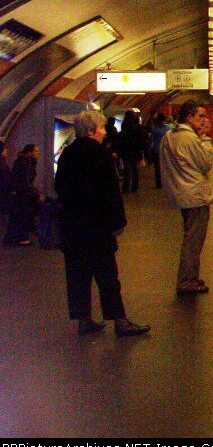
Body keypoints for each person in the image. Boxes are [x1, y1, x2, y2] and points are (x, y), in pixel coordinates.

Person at [54, 109, 149, 336]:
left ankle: (84, 320)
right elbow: (111, 194)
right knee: (107, 276)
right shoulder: (101, 154)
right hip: (97, 229)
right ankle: (120, 320)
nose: (105, 132)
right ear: (91, 131)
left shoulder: (67, 154)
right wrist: (118, 223)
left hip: (73, 228)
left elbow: (60, 188)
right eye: (102, 127)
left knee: (78, 276)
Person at [160, 101, 213, 296]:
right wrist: (206, 139)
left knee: (190, 237)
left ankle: (189, 277)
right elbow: (206, 163)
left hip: (181, 192)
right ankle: (187, 281)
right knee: (193, 240)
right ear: (189, 117)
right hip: (194, 195)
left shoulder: (169, 136)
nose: (204, 120)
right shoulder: (190, 139)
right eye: (200, 116)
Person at [2, 144, 42, 246]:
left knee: (17, 217)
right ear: (30, 152)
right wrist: (37, 193)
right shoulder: (26, 162)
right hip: (23, 194)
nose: (37, 153)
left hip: (19, 194)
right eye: (36, 151)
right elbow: (25, 181)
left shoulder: (22, 161)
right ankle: (20, 238)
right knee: (22, 216)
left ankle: (14, 238)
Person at [118, 109, 146, 194]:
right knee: (135, 169)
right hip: (136, 151)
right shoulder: (138, 127)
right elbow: (143, 139)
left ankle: (126, 188)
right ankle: (135, 187)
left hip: (126, 151)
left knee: (127, 169)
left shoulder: (124, 127)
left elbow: (121, 139)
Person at [146, 112, 173, 188]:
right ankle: (166, 182)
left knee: (157, 168)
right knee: (166, 167)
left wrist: (148, 151)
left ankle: (158, 183)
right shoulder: (168, 128)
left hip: (156, 150)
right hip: (166, 150)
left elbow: (151, 140)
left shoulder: (154, 128)